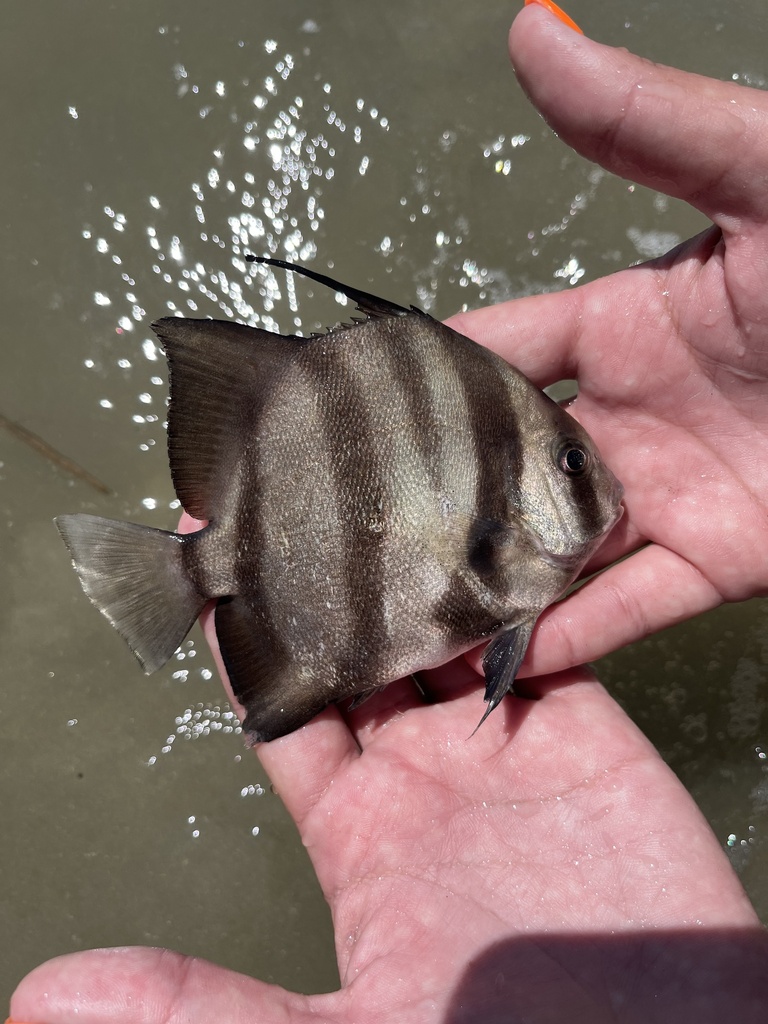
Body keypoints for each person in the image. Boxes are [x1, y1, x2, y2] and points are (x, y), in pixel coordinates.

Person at [11, 4, 768, 1022]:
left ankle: (204, 578)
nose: (601, 485)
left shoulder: (519, 533)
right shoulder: (520, 546)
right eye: (573, 463)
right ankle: (194, 574)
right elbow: (478, 569)